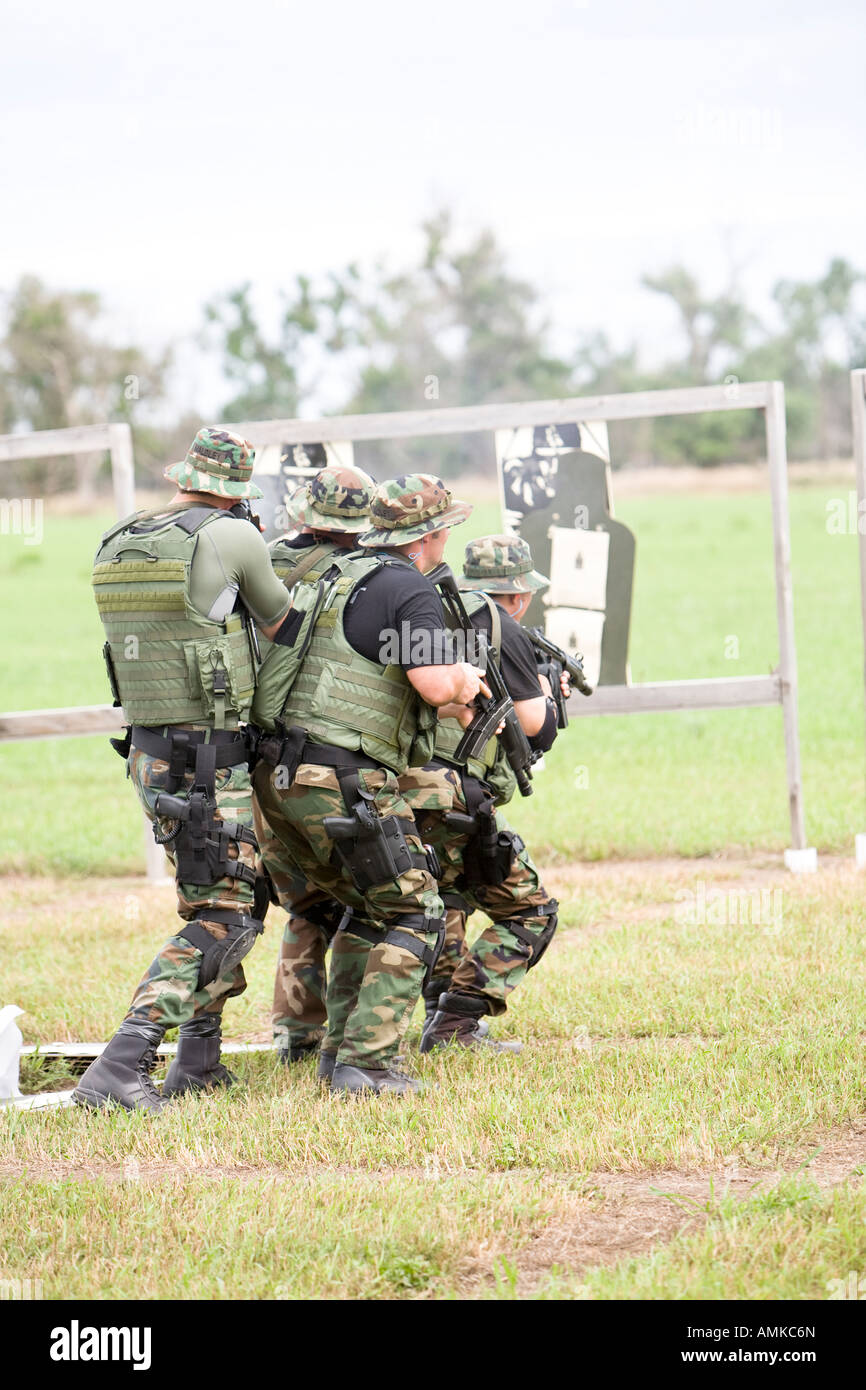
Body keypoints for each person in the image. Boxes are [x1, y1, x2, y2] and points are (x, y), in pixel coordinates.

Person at [74, 428, 295, 1114]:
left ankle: (197, 1063)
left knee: (217, 899)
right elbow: (281, 622)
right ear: (235, 489)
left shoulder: (119, 538)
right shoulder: (231, 536)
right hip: (206, 757)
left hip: (149, 751)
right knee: (226, 916)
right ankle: (120, 1064)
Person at [251, 474, 485, 1096]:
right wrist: (466, 678)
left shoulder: (337, 574)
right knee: (415, 909)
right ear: (431, 536)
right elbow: (435, 686)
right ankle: (367, 1063)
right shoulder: (407, 586)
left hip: (277, 779)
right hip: (341, 779)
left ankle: (334, 1053)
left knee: (363, 902)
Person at [401, 534, 565, 1053]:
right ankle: (457, 1022)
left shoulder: (419, 611)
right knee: (531, 911)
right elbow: (535, 728)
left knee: (448, 897)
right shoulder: (502, 628)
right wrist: (549, 694)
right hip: (459, 795)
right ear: (516, 596)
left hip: (400, 787)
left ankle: (437, 1017)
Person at [252, 463, 376, 1065]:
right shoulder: (363, 579)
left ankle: (294, 1037)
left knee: (304, 904)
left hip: (256, 762)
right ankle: (346, 1044)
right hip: (325, 767)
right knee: (362, 896)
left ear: (304, 512)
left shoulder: (268, 562)